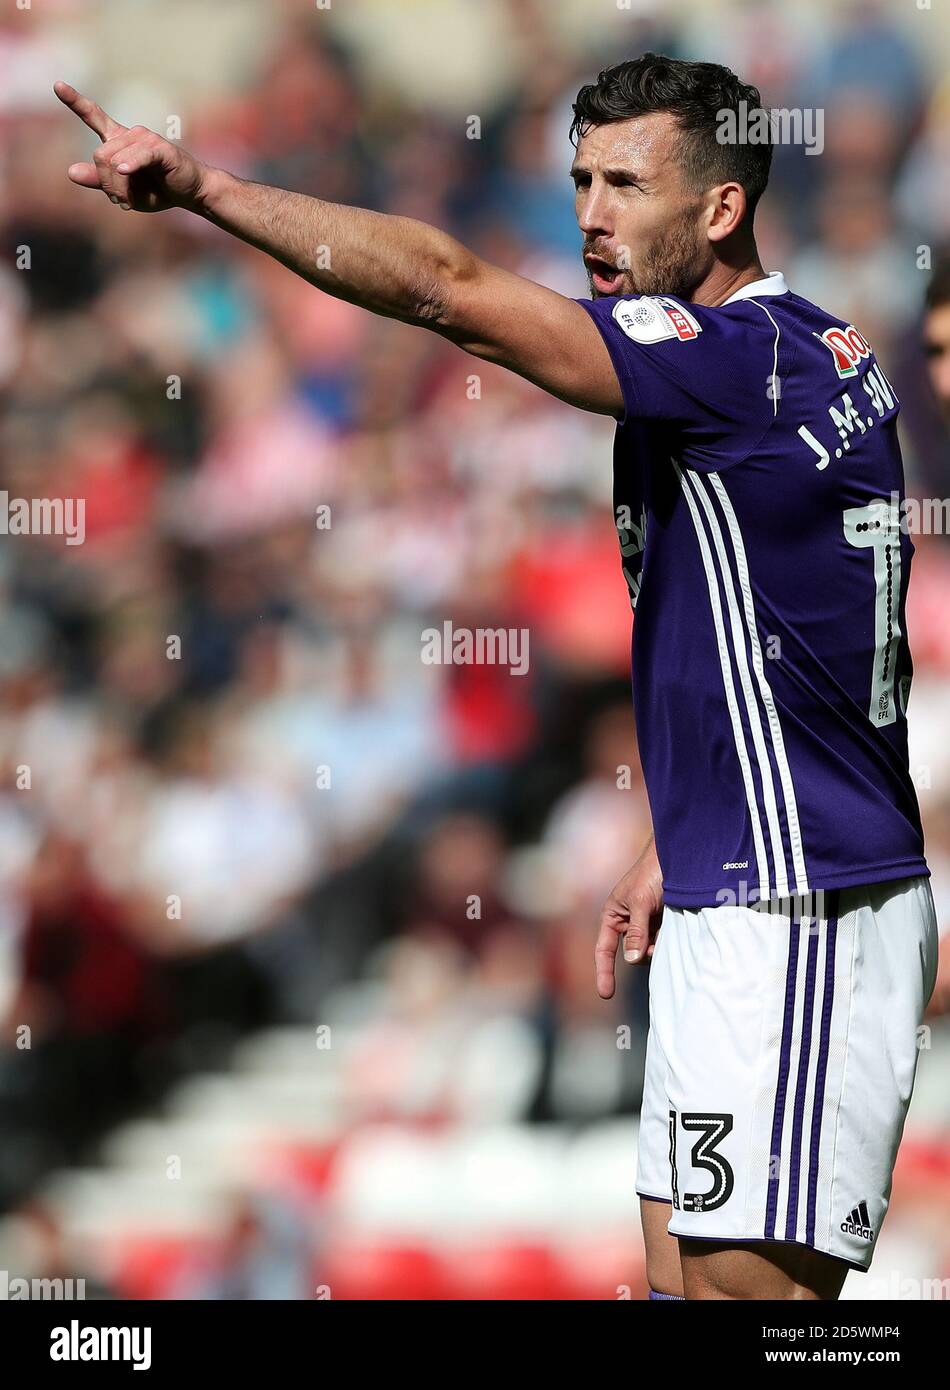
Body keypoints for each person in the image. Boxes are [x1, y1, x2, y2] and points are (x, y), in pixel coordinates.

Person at [54, 52, 937, 1301]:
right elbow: (817, 636)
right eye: (578, 178)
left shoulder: (732, 361)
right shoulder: (808, 352)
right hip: (740, 874)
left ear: (722, 209)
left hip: (799, 906)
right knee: (685, 1289)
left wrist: (208, 188)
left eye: (628, 184)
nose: (589, 212)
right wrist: (670, 834)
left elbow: (445, 286)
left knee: (757, 1308)